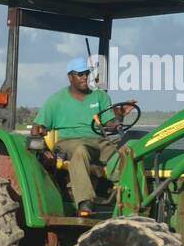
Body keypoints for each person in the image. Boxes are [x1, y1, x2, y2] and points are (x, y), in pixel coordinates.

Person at [29, 56, 119, 216]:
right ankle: (84, 203)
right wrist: (42, 149)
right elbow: (37, 127)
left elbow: (109, 122)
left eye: (86, 73)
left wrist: (116, 122)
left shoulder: (100, 96)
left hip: (98, 141)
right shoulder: (56, 100)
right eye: (80, 74)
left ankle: (123, 194)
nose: (85, 77)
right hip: (69, 142)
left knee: (124, 154)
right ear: (70, 77)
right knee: (81, 150)